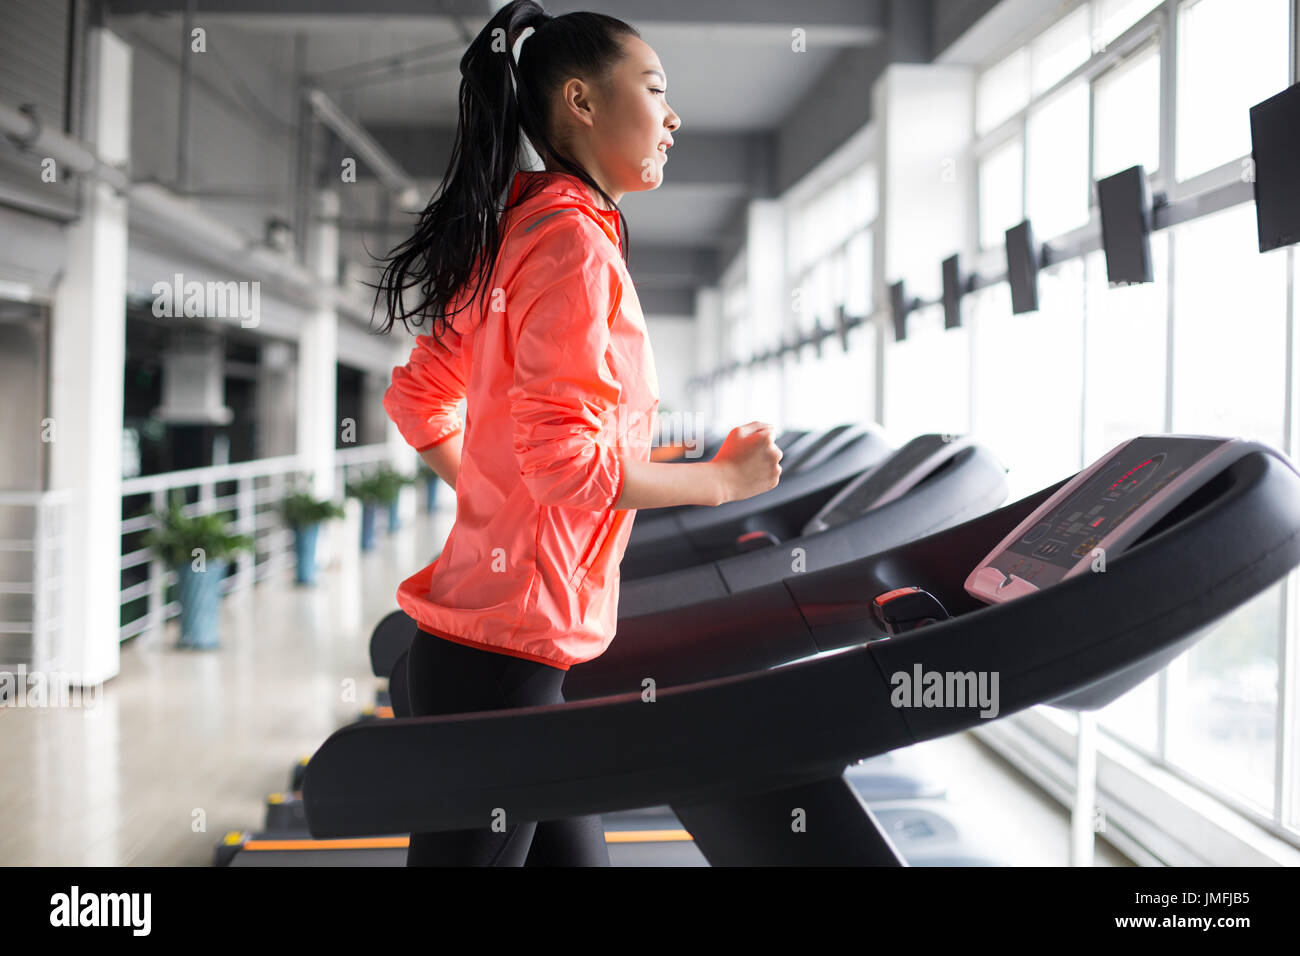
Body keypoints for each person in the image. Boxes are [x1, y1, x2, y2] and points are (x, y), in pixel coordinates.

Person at [371, 0, 782, 866]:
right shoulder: (573, 247)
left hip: (493, 651)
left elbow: (420, 405)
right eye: (655, 88)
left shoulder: (517, 232)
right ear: (581, 102)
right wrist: (725, 480)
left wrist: (502, 501)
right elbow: (566, 465)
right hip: (502, 662)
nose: (674, 117)